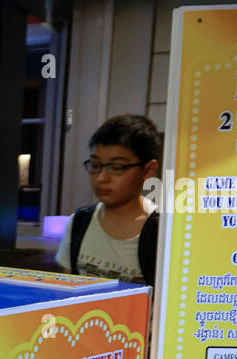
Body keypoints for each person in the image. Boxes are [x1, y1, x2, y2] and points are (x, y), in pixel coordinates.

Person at [55, 114, 162, 285]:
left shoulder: (160, 231)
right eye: (95, 166)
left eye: (116, 167)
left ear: (148, 170)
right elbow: (68, 286)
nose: (101, 178)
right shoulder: (80, 221)